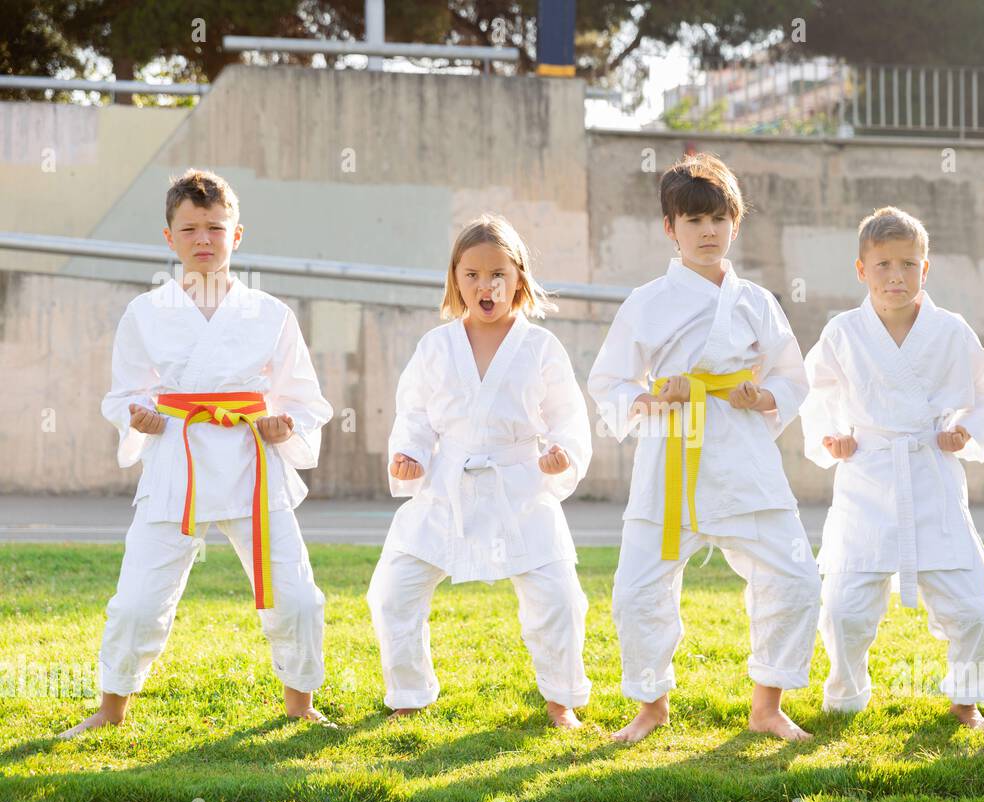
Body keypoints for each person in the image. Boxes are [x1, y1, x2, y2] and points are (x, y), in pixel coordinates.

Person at [60, 169, 335, 738]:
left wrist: (285, 429)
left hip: (252, 464)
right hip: (175, 464)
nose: (203, 240)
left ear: (237, 235)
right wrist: (138, 414)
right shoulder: (146, 312)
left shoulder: (270, 313)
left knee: (298, 598)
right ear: (169, 238)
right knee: (137, 602)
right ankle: (111, 708)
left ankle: (300, 704)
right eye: (190, 230)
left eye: (215, 228)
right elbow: (124, 392)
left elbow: (305, 399)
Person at [587, 152, 821, 743]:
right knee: (637, 590)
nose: (707, 231)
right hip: (668, 459)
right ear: (671, 229)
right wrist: (646, 402)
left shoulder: (757, 302)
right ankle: (651, 704)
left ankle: (768, 704)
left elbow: (793, 378)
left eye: (718, 218)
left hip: (742, 457)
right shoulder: (646, 301)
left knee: (794, 578)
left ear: (735, 224)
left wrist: (761, 397)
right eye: (693, 221)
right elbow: (609, 381)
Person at [367, 214, 593, 728]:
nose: (485, 286)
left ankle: (560, 700)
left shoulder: (539, 348)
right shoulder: (436, 345)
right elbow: (416, 414)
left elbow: (567, 416)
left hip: (519, 484)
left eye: (497, 274)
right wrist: (410, 454)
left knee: (559, 598)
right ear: (455, 278)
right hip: (446, 485)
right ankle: (408, 692)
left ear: (518, 280)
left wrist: (562, 453)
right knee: (393, 591)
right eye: (471, 274)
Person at [801, 207, 984, 729]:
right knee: (844, 611)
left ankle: (967, 699)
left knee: (974, 610)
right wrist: (834, 435)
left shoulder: (950, 330)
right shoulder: (843, 332)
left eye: (909, 265)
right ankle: (846, 695)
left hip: (931, 472)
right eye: (884, 265)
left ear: (926, 269)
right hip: (866, 473)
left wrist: (966, 428)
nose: (896, 276)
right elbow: (816, 391)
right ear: (861, 269)